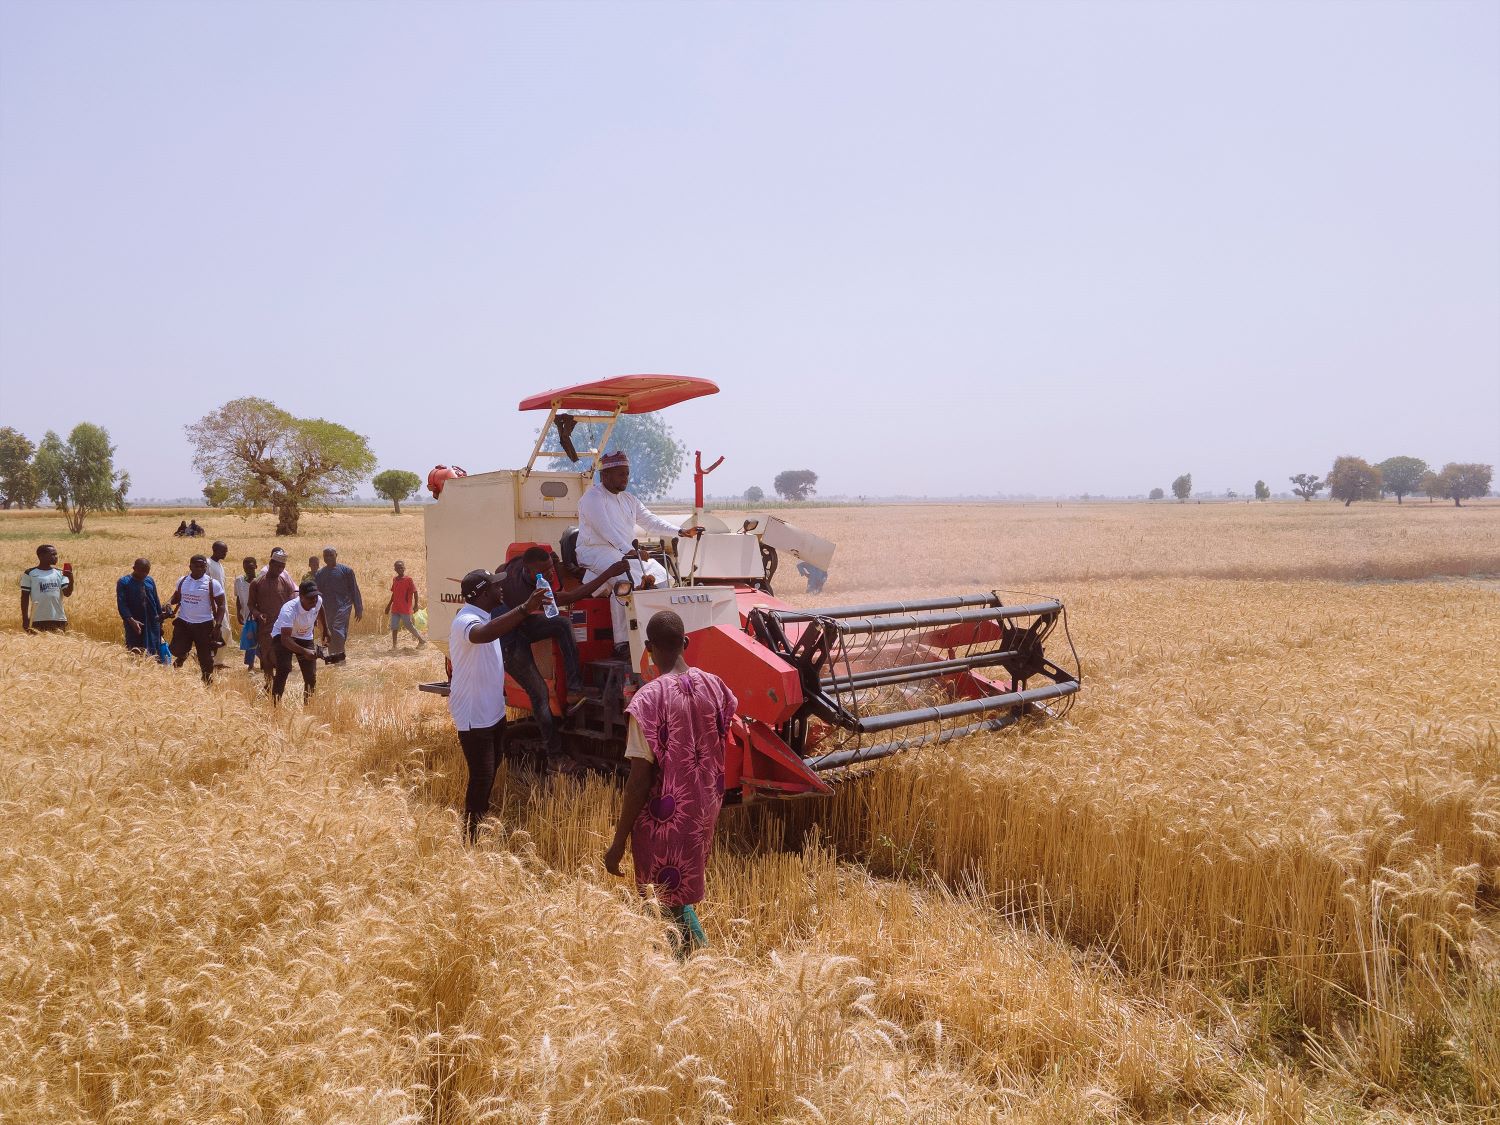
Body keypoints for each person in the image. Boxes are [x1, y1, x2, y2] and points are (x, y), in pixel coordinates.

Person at [604, 611, 737, 956]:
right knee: (673, 892)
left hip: (666, 815)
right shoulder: (715, 686)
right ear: (686, 643)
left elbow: (638, 781)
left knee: (659, 896)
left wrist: (619, 841)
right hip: (703, 808)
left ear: (648, 648)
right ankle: (699, 963)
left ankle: (690, 967)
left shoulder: (648, 701)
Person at [493, 547, 629, 769]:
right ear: (528, 571)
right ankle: (555, 756)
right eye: (543, 571)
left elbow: (501, 569)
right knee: (540, 693)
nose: (548, 574)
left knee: (562, 624)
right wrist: (608, 573)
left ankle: (575, 689)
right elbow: (572, 596)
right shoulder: (521, 590)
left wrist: (555, 564)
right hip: (510, 641)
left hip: (523, 622)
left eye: (549, 568)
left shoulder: (516, 565)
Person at [447, 569, 547, 842]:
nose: (500, 589)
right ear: (481, 593)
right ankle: (470, 836)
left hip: (493, 712)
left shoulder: (486, 615)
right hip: (473, 715)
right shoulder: (466, 620)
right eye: (495, 586)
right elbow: (483, 635)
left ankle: (478, 824)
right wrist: (525, 609)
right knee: (481, 776)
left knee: (490, 773)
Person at [575, 450, 699, 656]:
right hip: (595, 551)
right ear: (604, 476)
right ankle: (623, 642)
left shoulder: (629, 499)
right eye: (620, 474)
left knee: (663, 579)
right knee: (624, 580)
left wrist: (679, 531)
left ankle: (658, 633)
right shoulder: (592, 498)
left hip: (623, 551)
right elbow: (606, 531)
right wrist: (631, 551)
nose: (626, 478)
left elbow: (650, 521)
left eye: (627, 473)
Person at [168, 554, 225, 684]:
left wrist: (218, 625)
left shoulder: (212, 584)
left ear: (205, 567)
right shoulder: (182, 581)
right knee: (176, 650)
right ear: (190, 566)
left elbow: (221, 605)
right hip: (184, 623)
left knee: (205, 657)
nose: (199, 569)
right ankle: (183, 656)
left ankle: (207, 680)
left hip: (204, 625)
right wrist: (168, 603)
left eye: (202, 566)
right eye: (196, 566)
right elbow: (176, 597)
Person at [271, 580, 327, 704]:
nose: (314, 600)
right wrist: (304, 651)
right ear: (301, 597)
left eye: (315, 596)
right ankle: (275, 705)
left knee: (310, 676)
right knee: (284, 669)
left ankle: (308, 708)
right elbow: (285, 640)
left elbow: (320, 608)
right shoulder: (289, 610)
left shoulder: (317, 601)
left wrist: (326, 630)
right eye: (310, 598)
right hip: (283, 636)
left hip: (305, 637)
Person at [248, 548, 298, 683]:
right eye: (278, 566)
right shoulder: (256, 583)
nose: (280, 569)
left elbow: (293, 602)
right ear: (271, 564)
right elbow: (251, 605)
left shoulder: (285, 583)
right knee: (267, 659)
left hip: (282, 628)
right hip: (264, 627)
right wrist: (258, 614)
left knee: (281, 660)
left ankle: (278, 685)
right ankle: (269, 686)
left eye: (283, 566)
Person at [314, 546, 361, 661]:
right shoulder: (320, 574)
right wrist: (315, 612)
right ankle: (333, 658)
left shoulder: (346, 571)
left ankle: (340, 657)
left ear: (336, 555)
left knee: (337, 630)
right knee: (328, 632)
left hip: (343, 606)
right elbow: (317, 594)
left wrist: (358, 607)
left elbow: (354, 589)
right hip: (327, 608)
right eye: (326, 555)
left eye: (331, 555)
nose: (328, 557)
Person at [116, 558, 166, 657]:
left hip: (152, 621)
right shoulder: (124, 582)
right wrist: (131, 620)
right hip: (135, 622)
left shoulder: (150, 580)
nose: (144, 574)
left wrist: (160, 620)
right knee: (136, 649)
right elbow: (122, 604)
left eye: (147, 571)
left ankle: (153, 671)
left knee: (154, 649)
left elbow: (156, 599)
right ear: (134, 568)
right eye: (142, 571)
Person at [20, 544, 73, 633]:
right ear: (41, 556)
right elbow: (24, 597)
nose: (56, 557)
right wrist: (25, 619)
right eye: (53, 554)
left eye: (56, 554)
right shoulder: (29, 573)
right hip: (37, 619)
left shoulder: (60, 573)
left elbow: (67, 593)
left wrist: (71, 578)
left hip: (58, 618)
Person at [384, 560, 424, 649]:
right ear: (395, 569)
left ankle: (421, 640)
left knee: (408, 625)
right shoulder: (395, 579)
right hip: (395, 608)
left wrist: (416, 605)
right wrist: (388, 605)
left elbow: (415, 592)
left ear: (404, 568)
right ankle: (394, 646)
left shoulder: (408, 579)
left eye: (401, 567)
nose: (400, 569)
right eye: (398, 568)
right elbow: (394, 593)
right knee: (394, 626)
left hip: (405, 608)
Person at [205, 541, 233, 653]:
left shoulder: (220, 565)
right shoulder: (208, 563)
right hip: (213, 604)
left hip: (222, 602)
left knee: (225, 630)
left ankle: (218, 661)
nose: (226, 553)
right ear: (215, 550)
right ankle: (211, 660)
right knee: (219, 630)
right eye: (223, 551)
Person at [234, 556, 258, 670]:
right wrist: (238, 612)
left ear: (256, 567)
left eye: (251, 568)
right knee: (250, 638)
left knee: (260, 639)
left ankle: (262, 663)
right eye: (246, 568)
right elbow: (238, 597)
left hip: (259, 614)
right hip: (246, 614)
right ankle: (251, 665)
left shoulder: (260, 580)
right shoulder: (239, 580)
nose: (248, 570)